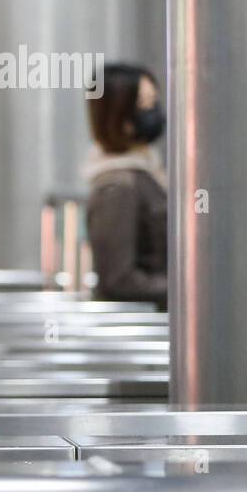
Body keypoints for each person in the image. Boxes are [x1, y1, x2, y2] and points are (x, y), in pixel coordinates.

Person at [85, 63, 167, 308]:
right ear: (118, 113)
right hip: (145, 329)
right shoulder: (117, 185)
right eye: (144, 103)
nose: (154, 112)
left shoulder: (145, 173)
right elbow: (118, 279)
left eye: (155, 101)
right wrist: (189, 289)